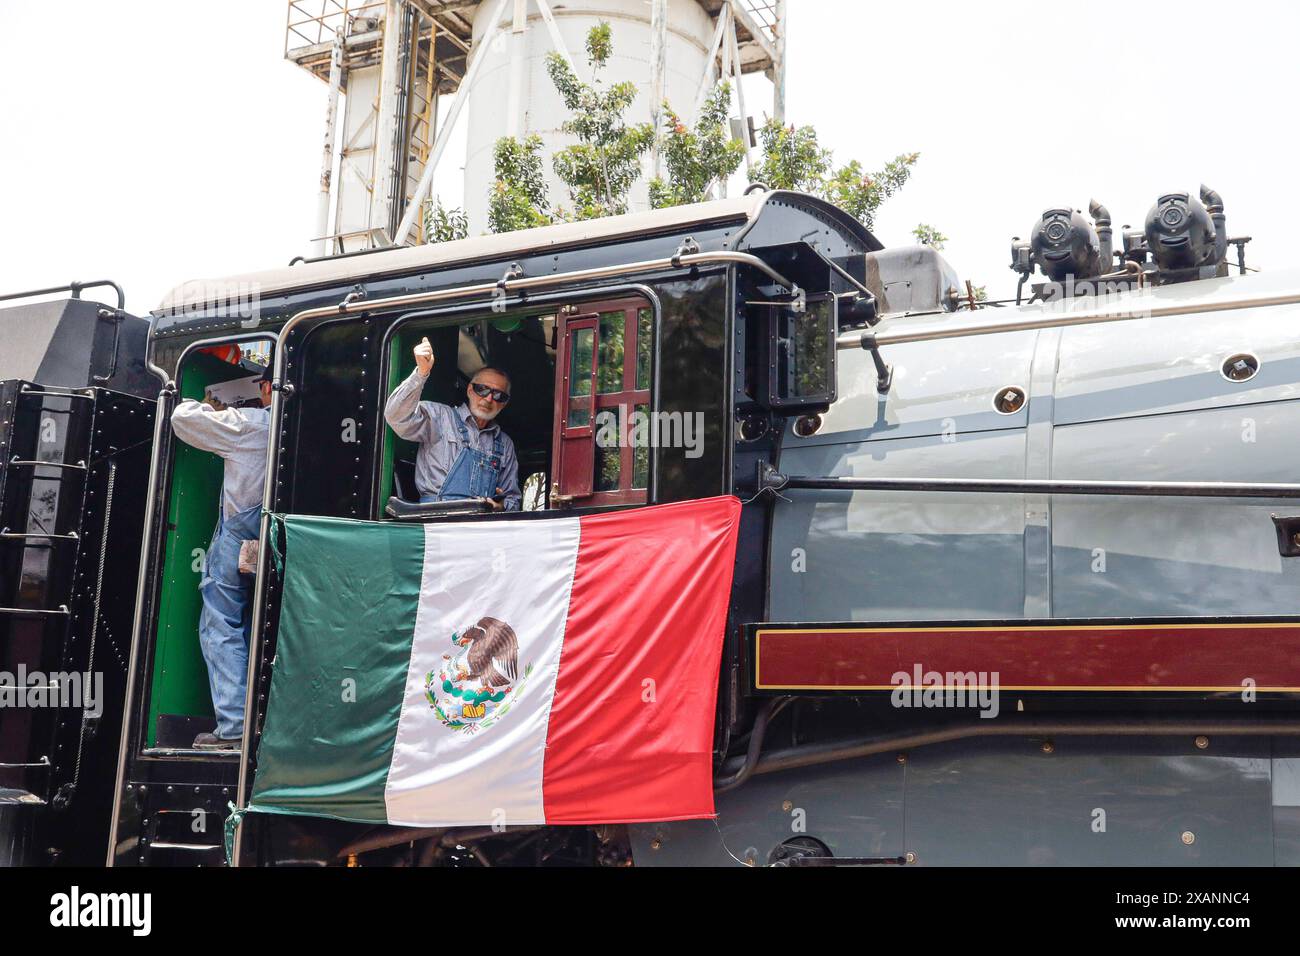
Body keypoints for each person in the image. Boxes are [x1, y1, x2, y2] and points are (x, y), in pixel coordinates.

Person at [169, 360, 273, 751]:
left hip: (238, 533)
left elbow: (182, 418)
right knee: (254, 624)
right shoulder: (306, 427)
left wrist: (213, 409)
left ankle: (234, 727)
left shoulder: (249, 423)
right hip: (276, 534)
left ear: (265, 389)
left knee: (221, 626)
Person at [384, 337, 521, 511]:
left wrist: (501, 506)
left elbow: (513, 500)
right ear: (470, 390)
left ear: (504, 403)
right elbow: (396, 416)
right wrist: (421, 373)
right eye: (483, 389)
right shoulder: (439, 416)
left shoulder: (505, 445)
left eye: (498, 395)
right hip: (435, 521)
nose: (488, 399)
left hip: (481, 527)